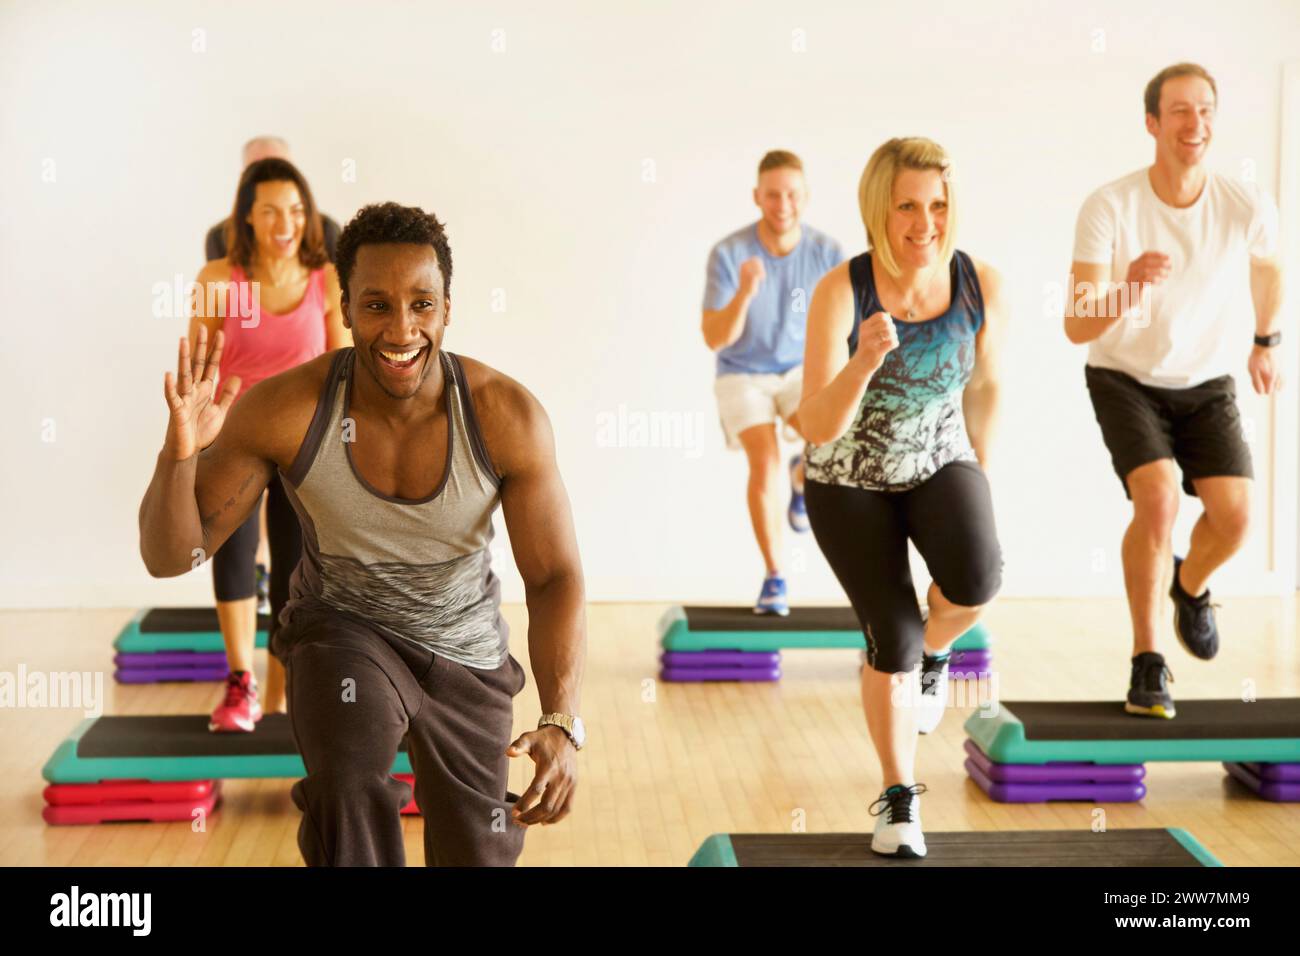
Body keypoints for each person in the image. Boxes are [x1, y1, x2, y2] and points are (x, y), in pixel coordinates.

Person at [141, 201, 587, 867]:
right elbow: (173, 554)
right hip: (344, 630)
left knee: (480, 846)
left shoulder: (505, 415)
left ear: (447, 308)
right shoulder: (288, 409)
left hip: (464, 650)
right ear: (344, 308)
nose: (401, 327)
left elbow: (554, 577)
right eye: (376, 305)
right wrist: (178, 454)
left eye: (421, 304)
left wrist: (560, 720)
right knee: (347, 782)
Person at [799, 138, 1006, 857]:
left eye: (939, 205)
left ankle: (936, 654)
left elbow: (986, 384)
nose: (927, 222)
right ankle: (898, 799)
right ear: (878, 211)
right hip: (847, 480)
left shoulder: (980, 284)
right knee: (894, 634)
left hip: (939, 461)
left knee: (980, 580)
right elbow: (815, 422)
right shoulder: (841, 291)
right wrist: (863, 359)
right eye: (909, 207)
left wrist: (982, 470)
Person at [1065, 62, 1283, 720]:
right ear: (1153, 123)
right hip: (1123, 375)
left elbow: (1270, 267)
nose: (1196, 124)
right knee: (1157, 500)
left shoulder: (1244, 203)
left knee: (1237, 518)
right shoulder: (1111, 205)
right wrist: (1129, 286)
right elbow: (1077, 322)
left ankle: (1189, 588)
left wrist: (1266, 340)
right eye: (1181, 111)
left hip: (1206, 381)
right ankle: (1148, 661)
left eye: (1207, 110)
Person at [188, 157, 349, 732]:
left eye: (298, 210)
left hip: (301, 445)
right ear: (248, 218)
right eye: (272, 211)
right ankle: (241, 685)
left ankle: (280, 695)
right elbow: (200, 368)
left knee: (293, 564)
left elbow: (339, 370)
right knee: (230, 553)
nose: (287, 222)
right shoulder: (218, 281)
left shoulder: (326, 279)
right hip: (233, 438)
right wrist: (195, 436)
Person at [702, 150, 844, 615]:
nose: (783, 204)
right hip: (743, 371)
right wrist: (745, 291)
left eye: (792, 195)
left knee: (826, 444)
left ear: (805, 198)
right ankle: (776, 577)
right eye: (773, 195)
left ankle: (801, 479)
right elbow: (714, 337)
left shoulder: (827, 254)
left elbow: (846, 327)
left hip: (802, 368)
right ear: (757, 198)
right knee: (763, 462)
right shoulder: (730, 253)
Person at [206, 136, 342, 262]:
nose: (271, 180)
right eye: (257, 172)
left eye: (280, 170)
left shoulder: (327, 231)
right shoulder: (219, 238)